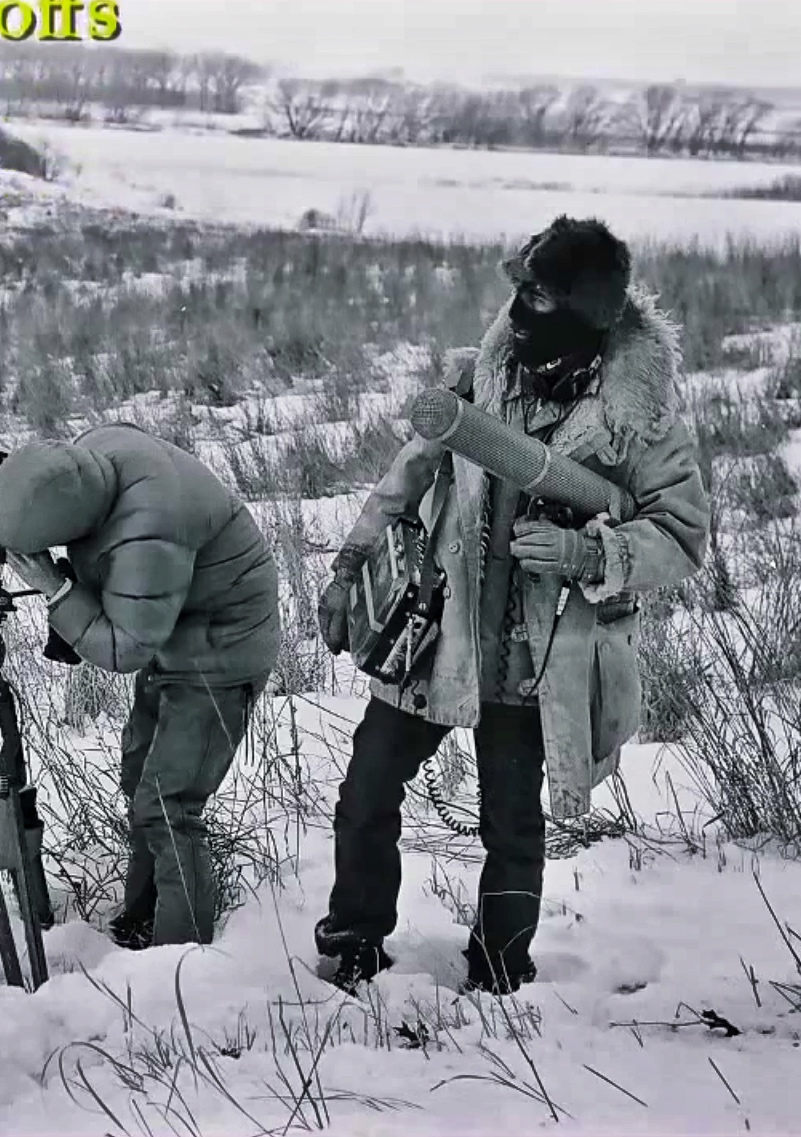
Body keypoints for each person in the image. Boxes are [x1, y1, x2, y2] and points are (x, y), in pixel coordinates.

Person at [314, 216, 711, 995]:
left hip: (536, 655)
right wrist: (349, 564)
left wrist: (591, 554)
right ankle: (353, 943)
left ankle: (500, 968)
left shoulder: (643, 415)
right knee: (364, 791)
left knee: (512, 824)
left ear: (583, 308)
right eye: (518, 287)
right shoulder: (487, 369)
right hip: (436, 631)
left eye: (538, 291)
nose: (518, 303)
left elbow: (681, 535)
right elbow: (407, 476)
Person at [0, 422, 282, 949]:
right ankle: (143, 913)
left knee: (169, 804)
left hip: (221, 651)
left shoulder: (152, 526)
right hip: (176, 629)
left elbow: (124, 650)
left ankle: (180, 954)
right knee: (140, 776)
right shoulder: (91, 461)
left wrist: (55, 589)